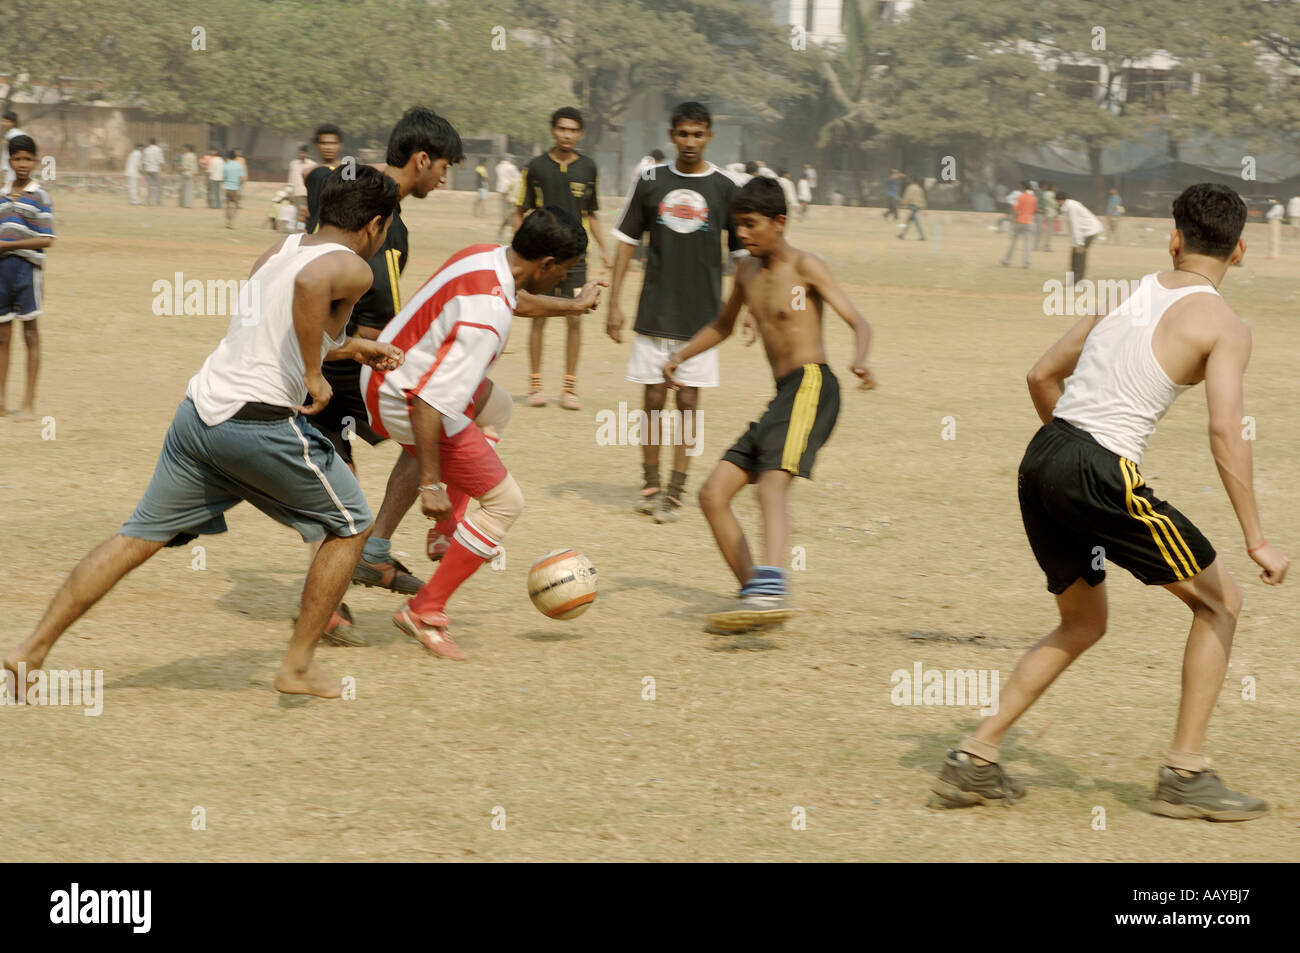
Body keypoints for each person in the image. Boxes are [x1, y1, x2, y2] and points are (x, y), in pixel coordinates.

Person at [933, 182, 1289, 820]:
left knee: (1083, 623)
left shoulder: (1127, 292)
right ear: (1239, 251)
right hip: (1096, 467)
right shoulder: (1226, 325)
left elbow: (1041, 373)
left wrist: (1065, 457)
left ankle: (974, 758)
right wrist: (1256, 537)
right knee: (1221, 601)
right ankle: (1186, 771)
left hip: (1042, 457)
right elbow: (1224, 428)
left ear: (1173, 238)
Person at [3, 166, 405, 700]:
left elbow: (275, 317)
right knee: (353, 525)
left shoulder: (280, 249)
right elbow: (311, 289)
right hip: (255, 422)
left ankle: (29, 652)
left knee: (135, 538)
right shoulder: (354, 268)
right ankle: (298, 666)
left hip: (199, 413)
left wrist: (351, 348)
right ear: (375, 225)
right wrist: (312, 372)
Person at [362, 207, 589, 661]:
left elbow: (515, 299)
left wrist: (574, 306)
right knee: (506, 503)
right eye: (562, 273)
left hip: (392, 374)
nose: (561, 280)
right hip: (406, 397)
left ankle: (447, 534)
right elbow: (429, 404)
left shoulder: (486, 257)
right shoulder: (484, 319)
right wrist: (431, 484)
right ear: (544, 265)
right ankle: (424, 611)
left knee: (497, 406)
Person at [663, 177, 874, 632]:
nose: (742, 234)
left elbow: (859, 322)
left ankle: (771, 587)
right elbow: (721, 325)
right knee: (712, 494)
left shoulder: (806, 267)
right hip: (783, 396)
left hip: (814, 387)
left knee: (771, 487)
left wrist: (859, 361)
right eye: (737, 226)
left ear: (780, 222)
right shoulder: (745, 272)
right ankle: (754, 598)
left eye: (751, 225)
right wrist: (680, 355)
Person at [607, 101, 745, 523]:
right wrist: (614, 300)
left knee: (687, 399)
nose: (689, 142)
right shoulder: (650, 181)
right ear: (671, 135)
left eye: (697, 134)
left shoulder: (726, 187)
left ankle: (676, 489)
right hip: (655, 309)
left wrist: (749, 307)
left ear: (710, 136)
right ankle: (650, 481)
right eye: (682, 134)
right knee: (652, 396)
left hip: (703, 318)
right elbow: (627, 241)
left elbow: (742, 255)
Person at [514, 106, 611, 411]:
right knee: (539, 316)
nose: (567, 135)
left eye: (573, 130)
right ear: (553, 130)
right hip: (542, 256)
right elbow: (521, 211)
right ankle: (535, 384)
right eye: (562, 129)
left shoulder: (589, 168)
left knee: (574, 318)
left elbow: (591, 213)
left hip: (576, 257)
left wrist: (604, 247)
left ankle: (570, 387)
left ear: (579, 133)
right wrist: (521, 248)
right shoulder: (536, 167)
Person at [0, 135, 53, 420]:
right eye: (17, 159)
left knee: (30, 334)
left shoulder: (39, 195)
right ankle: (1, 401)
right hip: (2, 273)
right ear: (10, 161)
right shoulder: (2, 193)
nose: (22, 164)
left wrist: (9, 246)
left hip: (26, 271)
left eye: (27, 159)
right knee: (2, 337)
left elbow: (47, 239)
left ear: (35, 161)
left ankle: (29, 402)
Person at [304, 124, 343, 232]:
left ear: (340, 145)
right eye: (323, 143)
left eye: (333, 143)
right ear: (317, 145)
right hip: (316, 228)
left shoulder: (350, 169)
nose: (328, 147)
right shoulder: (308, 172)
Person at [1058, 190, 1103, 280]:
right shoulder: (1066, 207)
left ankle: (1078, 280)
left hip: (1090, 230)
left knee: (1080, 254)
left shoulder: (1071, 207)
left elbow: (1075, 225)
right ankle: (1073, 279)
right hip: (1083, 232)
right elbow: (1071, 227)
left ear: (1059, 200)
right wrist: (1074, 244)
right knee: (1074, 254)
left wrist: (1080, 243)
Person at [1000, 179, 1037, 268]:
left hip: (1019, 221)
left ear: (1023, 187)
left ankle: (1007, 260)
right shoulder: (1034, 198)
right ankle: (1027, 263)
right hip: (1029, 221)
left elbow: (1017, 209)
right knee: (1027, 244)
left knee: (1013, 242)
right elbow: (1033, 211)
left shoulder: (1021, 196)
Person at [287, 144, 316, 224]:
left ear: (308, 153)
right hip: (297, 192)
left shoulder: (312, 165)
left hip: (308, 193)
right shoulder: (294, 164)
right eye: (301, 152)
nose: (302, 155)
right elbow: (291, 179)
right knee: (297, 213)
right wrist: (290, 192)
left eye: (304, 153)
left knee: (306, 213)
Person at [494, 154, 520, 240]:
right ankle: (504, 233)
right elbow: (518, 178)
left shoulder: (498, 167)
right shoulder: (512, 167)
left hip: (501, 190)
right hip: (511, 192)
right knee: (510, 214)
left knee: (505, 213)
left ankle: (508, 233)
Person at [896, 175, 926, 240]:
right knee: (908, 221)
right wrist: (922, 206)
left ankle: (922, 236)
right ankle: (902, 235)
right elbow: (922, 198)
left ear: (912, 181)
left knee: (914, 222)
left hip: (912, 206)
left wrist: (902, 203)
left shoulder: (910, 188)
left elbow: (907, 197)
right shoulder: (919, 188)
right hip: (917, 207)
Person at [222, 148, 246, 228]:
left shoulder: (226, 165)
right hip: (236, 188)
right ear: (236, 157)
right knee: (236, 206)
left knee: (228, 206)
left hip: (227, 188)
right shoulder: (239, 166)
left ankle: (227, 221)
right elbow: (242, 179)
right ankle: (231, 222)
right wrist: (240, 187)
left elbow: (224, 177)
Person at [0, 111, 24, 191]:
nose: (3, 123)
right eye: (3, 121)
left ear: (12, 123)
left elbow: (9, 156)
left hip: (13, 171)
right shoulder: (11, 135)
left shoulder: (14, 136)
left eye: (6, 121)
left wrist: (4, 171)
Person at [142, 138, 165, 206]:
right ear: (156, 142)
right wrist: (162, 168)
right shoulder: (158, 149)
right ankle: (158, 202)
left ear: (149, 142)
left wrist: (144, 169)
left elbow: (143, 161)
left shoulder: (146, 150)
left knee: (149, 186)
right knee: (158, 186)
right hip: (156, 169)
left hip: (148, 169)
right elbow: (160, 160)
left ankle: (148, 201)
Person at [1040, 182, 1058, 252]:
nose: (1056, 188)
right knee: (1049, 232)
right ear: (1052, 188)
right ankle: (1047, 246)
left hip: (1047, 213)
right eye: (1055, 187)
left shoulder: (1045, 194)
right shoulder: (1051, 194)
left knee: (1046, 231)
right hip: (1051, 214)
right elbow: (1054, 204)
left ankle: (1044, 245)